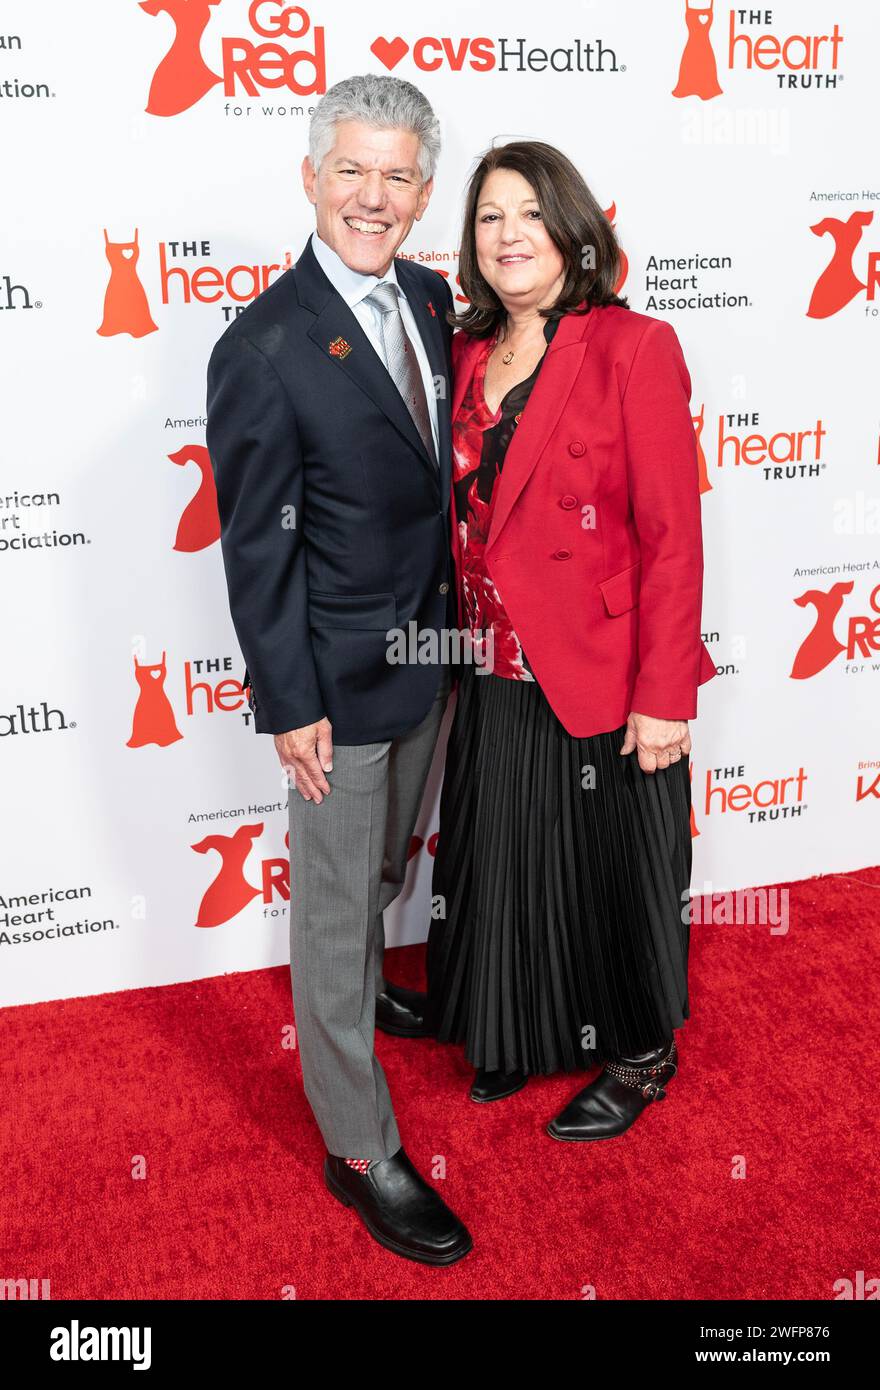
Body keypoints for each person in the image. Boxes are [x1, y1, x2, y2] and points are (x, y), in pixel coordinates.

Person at [206, 74, 471, 1265]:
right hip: (335, 680)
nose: (374, 195)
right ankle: (358, 1142)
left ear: (425, 191)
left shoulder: (429, 293)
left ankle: (363, 1000)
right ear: (310, 176)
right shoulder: (261, 343)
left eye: (398, 174)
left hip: (433, 653)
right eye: (351, 170)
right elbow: (257, 541)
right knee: (329, 909)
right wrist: (289, 701)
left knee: (372, 874)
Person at [422, 139, 717, 1139]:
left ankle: (639, 1054)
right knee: (507, 861)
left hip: (605, 670)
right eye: (488, 216)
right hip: (495, 666)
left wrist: (665, 693)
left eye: (527, 213)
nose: (507, 234)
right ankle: (529, 1028)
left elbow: (672, 536)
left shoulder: (632, 347)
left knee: (612, 868)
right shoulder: (466, 351)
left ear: (572, 229)